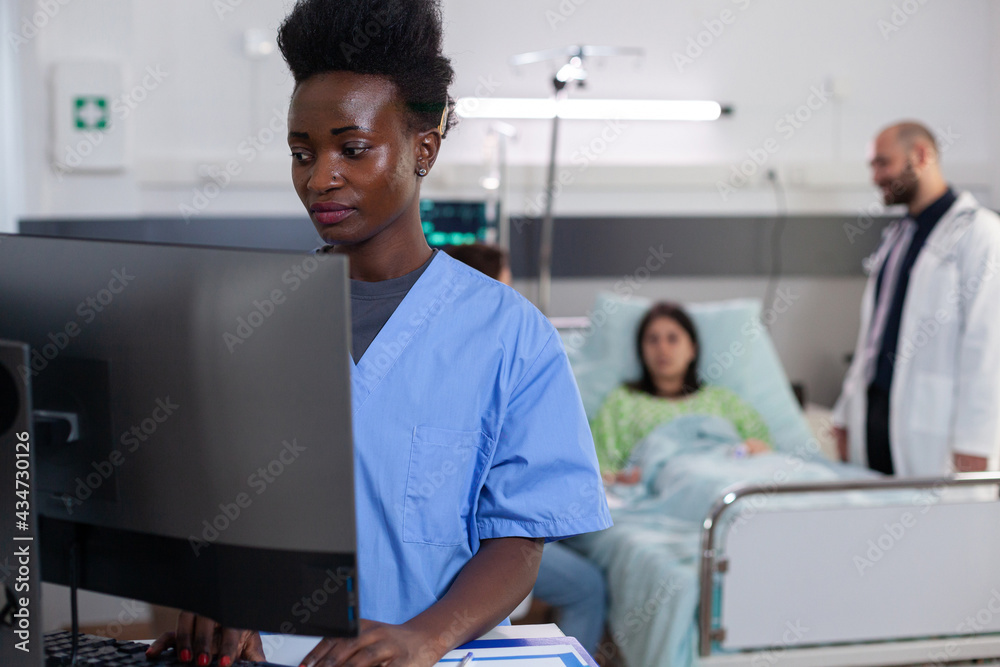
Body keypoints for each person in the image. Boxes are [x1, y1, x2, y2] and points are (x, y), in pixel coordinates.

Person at [148, 1, 611, 665]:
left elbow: (518, 542)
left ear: (424, 148)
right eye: (301, 153)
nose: (319, 176)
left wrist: (427, 633)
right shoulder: (244, 321)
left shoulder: (510, 336)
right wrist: (210, 599)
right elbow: (204, 517)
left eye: (352, 148)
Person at [444, 242, 608, 656]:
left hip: (505, 529)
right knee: (587, 586)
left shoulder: (517, 346)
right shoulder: (493, 351)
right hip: (483, 540)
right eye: (506, 283)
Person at [832, 121, 1000, 477]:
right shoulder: (897, 236)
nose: (875, 176)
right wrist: (845, 413)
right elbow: (871, 337)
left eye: (883, 163)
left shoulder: (981, 234)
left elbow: (988, 346)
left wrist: (977, 441)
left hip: (935, 425)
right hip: (878, 414)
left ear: (921, 155)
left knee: (938, 527)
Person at [591, 302, 771, 483]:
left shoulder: (723, 400)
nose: (662, 349)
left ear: (692, 349)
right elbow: (600, 469)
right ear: (641, 350)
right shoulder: (623, 402)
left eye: (672, 339)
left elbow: (764, 452)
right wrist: (619, 480)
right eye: (653, 340)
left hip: (731, 479)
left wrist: (753, 450)